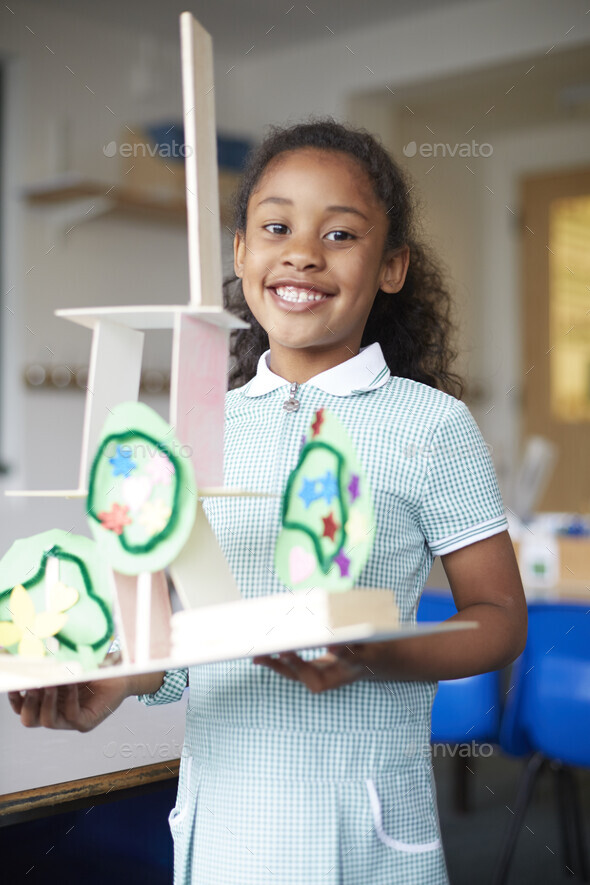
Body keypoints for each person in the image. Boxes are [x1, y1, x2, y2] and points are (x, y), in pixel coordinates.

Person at [9, 118, 527, 885]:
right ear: (243, 255)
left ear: (392, 267)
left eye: (341, 233)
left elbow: (498, 621)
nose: (303, 252)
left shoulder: (430, 424)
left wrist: (377, 652)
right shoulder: (199, 430)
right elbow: (192, 641)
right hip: (224, 827)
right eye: (276, 225)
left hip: (363, 827)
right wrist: (116, 678)